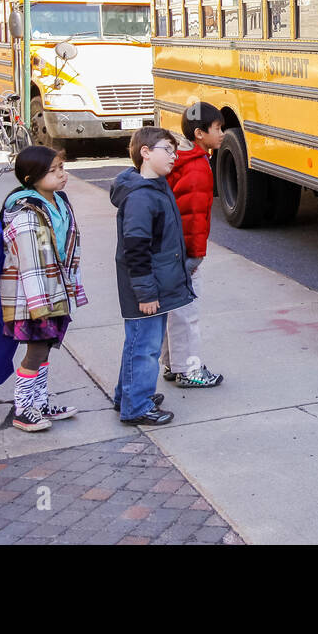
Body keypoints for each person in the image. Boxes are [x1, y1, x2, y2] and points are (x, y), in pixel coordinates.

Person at [110, 126, 194, 425]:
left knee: (138, 343)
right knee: (145, 348)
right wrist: (146, 293)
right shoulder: (142, 197)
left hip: (151, 285)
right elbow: (136, 249)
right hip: (145, 289)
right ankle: (137, 406)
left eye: (174, 150)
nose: (174, 156)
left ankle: (128, 395)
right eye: (167, 150)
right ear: (145, 153)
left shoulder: (155, 186)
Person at [0, 146, 87, 432]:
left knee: (45, 349)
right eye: (54, 170)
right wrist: (40, 307)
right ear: (30, 177)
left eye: (62, 167)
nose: (62, 174)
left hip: (53, 291)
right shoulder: (26, 214)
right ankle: (23, 408)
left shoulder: (57, 202)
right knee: (36, 351)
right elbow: (31, 264)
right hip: (33, 298)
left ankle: (39, 403)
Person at [161, 101, 225, 388]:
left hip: (169, 249)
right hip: (184, 251)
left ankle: (172, 364)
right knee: (187, 313)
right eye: (218, 129)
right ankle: (189, 369)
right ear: (200, 133)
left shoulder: (178, 158)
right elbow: (195, 216)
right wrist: (195, 255)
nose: (222, 133)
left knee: (172, 310)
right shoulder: (198, 167)